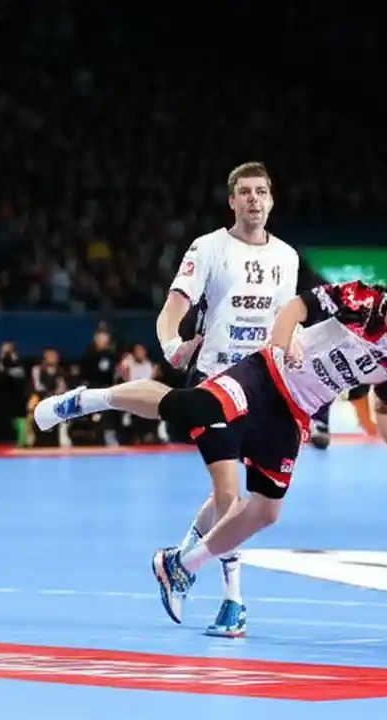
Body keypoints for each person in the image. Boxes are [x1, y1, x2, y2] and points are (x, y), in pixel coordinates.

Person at [35, 258, 387, 626]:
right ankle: (86, 400)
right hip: (266, 376)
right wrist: (284, 344)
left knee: (267, 511)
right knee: (191, 408)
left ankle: (181, 565)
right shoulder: (363, 300)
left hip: (294, 414)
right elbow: (296, 307)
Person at [149, 161, 300, 637]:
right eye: (245, 192)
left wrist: (294, 355)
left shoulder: (288, 257)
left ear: (271, 200)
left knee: (252, 501)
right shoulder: (208, 248)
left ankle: (176, 562)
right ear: (232, 200)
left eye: (261, 191)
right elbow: (173, 308)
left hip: (266, 387)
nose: (254, 199)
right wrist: (172, 344)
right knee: (230, 495)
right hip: (217, 381)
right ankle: (233, 601)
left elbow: (285, 320)